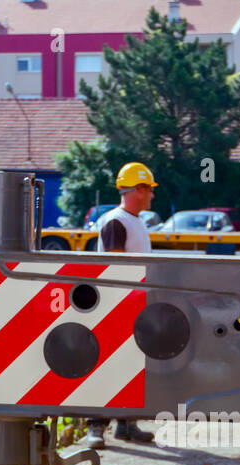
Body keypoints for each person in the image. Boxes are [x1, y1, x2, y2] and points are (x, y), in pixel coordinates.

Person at [86, 162, 159, 449]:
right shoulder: (115, 221)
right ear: (138, 190)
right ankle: (96, 427)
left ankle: (127, 424)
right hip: (116, 306)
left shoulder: (134, 221)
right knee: (107, 366)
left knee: (131, 365)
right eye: (149, 190)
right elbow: (117, 267)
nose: (151, 196)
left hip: (133, 304)